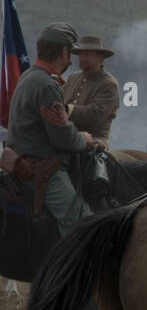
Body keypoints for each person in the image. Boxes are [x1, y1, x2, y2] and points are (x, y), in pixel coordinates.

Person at [3, 22, 97, 236]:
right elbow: (62, 137)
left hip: (21, 162)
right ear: (63, 52)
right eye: (69, 52)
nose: (70, 59)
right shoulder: (46, 85)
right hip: (45, 172)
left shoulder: (28, 76)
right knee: (84, 226)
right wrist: (84, 139)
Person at [62, 35, 120, 148]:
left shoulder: (109, 84)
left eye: (87, 55)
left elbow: (94, 115)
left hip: (94, 140)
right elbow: (60, 98)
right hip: (68, 134)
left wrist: (65, 109)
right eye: (81, 54)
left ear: (100, 57)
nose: (82, 58)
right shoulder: (74, 77)